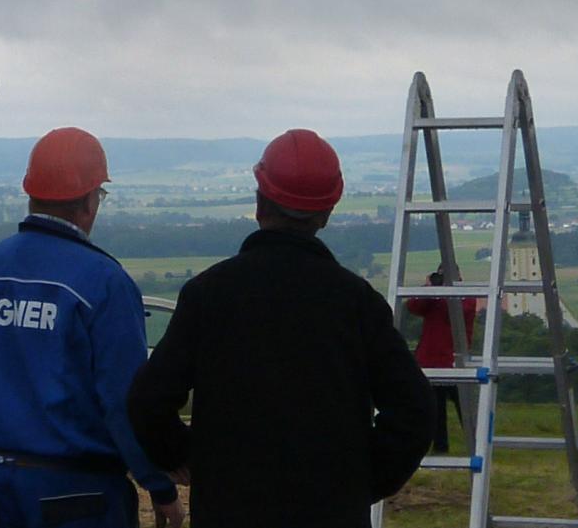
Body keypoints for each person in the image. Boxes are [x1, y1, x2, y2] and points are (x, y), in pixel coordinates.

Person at [128, 129, 434, 526]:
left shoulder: (209, 294)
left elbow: (147, 401)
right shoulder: (356, 302)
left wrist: (185, 456)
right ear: (327, 213)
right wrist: (361, 480)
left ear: (259, 202)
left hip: (230, 509)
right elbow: (415, 410)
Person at [0, 127, 183, 528]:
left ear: (30, 193)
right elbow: (123, 400)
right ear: (91, 202)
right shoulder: (104, 281)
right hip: (81, 489)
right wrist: (158, 484)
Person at [409, 267, 483, 454]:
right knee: (436, 408)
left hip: (454, 359)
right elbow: (413, 307)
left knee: (464, 407)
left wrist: (438, 292)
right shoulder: (434, 298)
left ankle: (477, 444)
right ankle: (440, 447)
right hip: (431, 358)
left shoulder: (466, 296)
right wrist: (428, 289)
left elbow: (457, 312)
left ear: (459, 276)